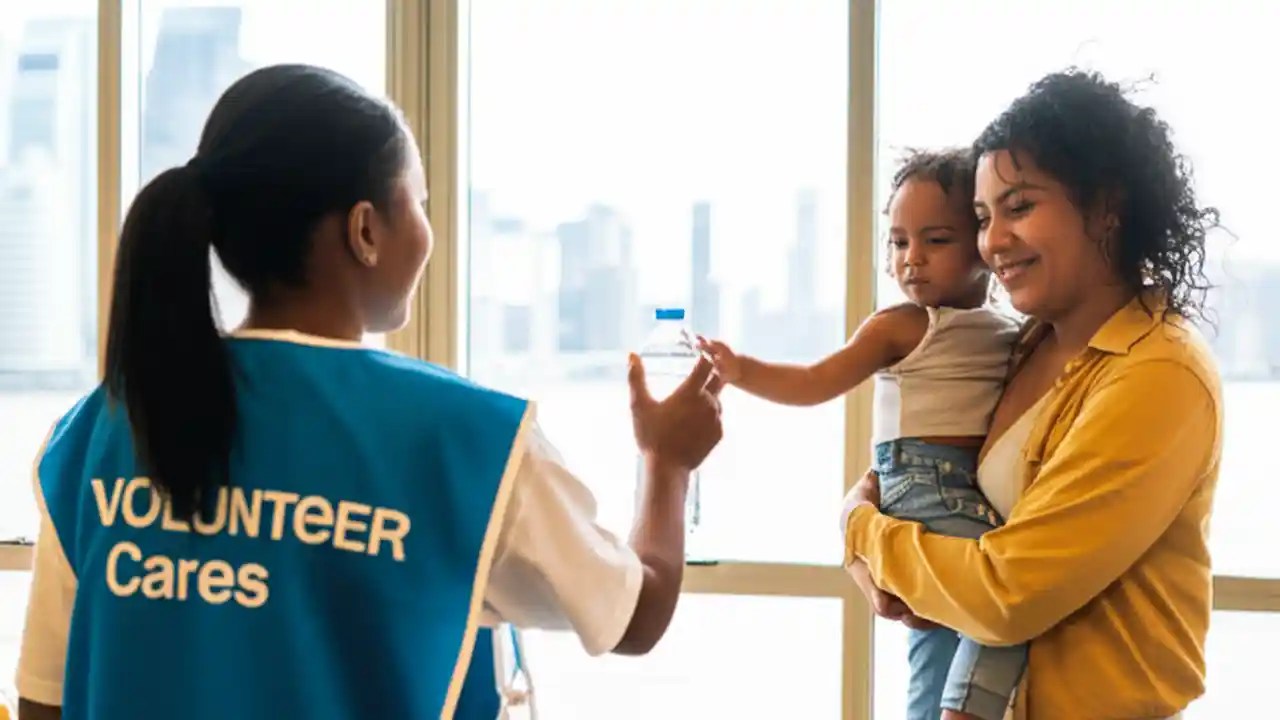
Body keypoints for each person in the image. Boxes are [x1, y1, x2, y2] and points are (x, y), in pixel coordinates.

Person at [15, 64, 724, 720]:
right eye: (417, 201)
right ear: (365, 230)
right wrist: (668, 465)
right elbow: (636, 614)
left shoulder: (94, 434)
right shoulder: (466, 441)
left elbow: (45, 701)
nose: (429, 230)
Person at [844, 69, 1222, 720]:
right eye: (984, 218)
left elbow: (1008, 592)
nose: (993, 242)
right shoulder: (1024, 347)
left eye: (1019, 207)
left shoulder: (1160, 375)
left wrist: (861, 531)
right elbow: (933, 474)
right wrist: (871, 544)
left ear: (1106, 205)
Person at [699, 148, 1023, 720]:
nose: (912, 260)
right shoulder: (901, 324)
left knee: (935, 637)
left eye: (936, 240)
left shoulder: (1008, 329)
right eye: (899, 242)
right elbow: (816, 380)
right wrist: (742, 369)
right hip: (924, 487)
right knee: (1008, 606)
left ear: (982, 238)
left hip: (965, 492)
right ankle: (968, 712)